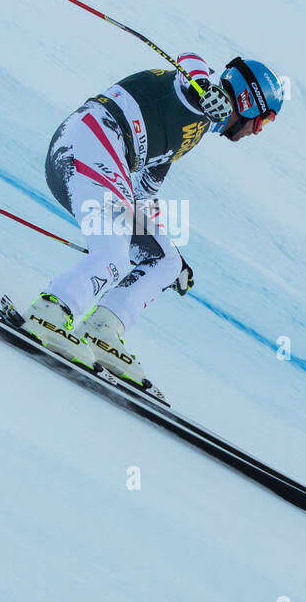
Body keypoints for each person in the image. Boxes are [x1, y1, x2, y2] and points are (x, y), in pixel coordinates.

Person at [23, 52, 284, 391]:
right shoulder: (194, 91)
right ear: (248, 101)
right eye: (262, 121)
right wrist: (203, 86)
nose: (258, 131)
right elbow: (190, 61)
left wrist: (167, 249)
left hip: (97, 155)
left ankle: (103, 329)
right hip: (89, 145)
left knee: (165, 261)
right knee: (114, 254)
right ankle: (51, 310)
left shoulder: (196, 129)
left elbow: (142, 196)